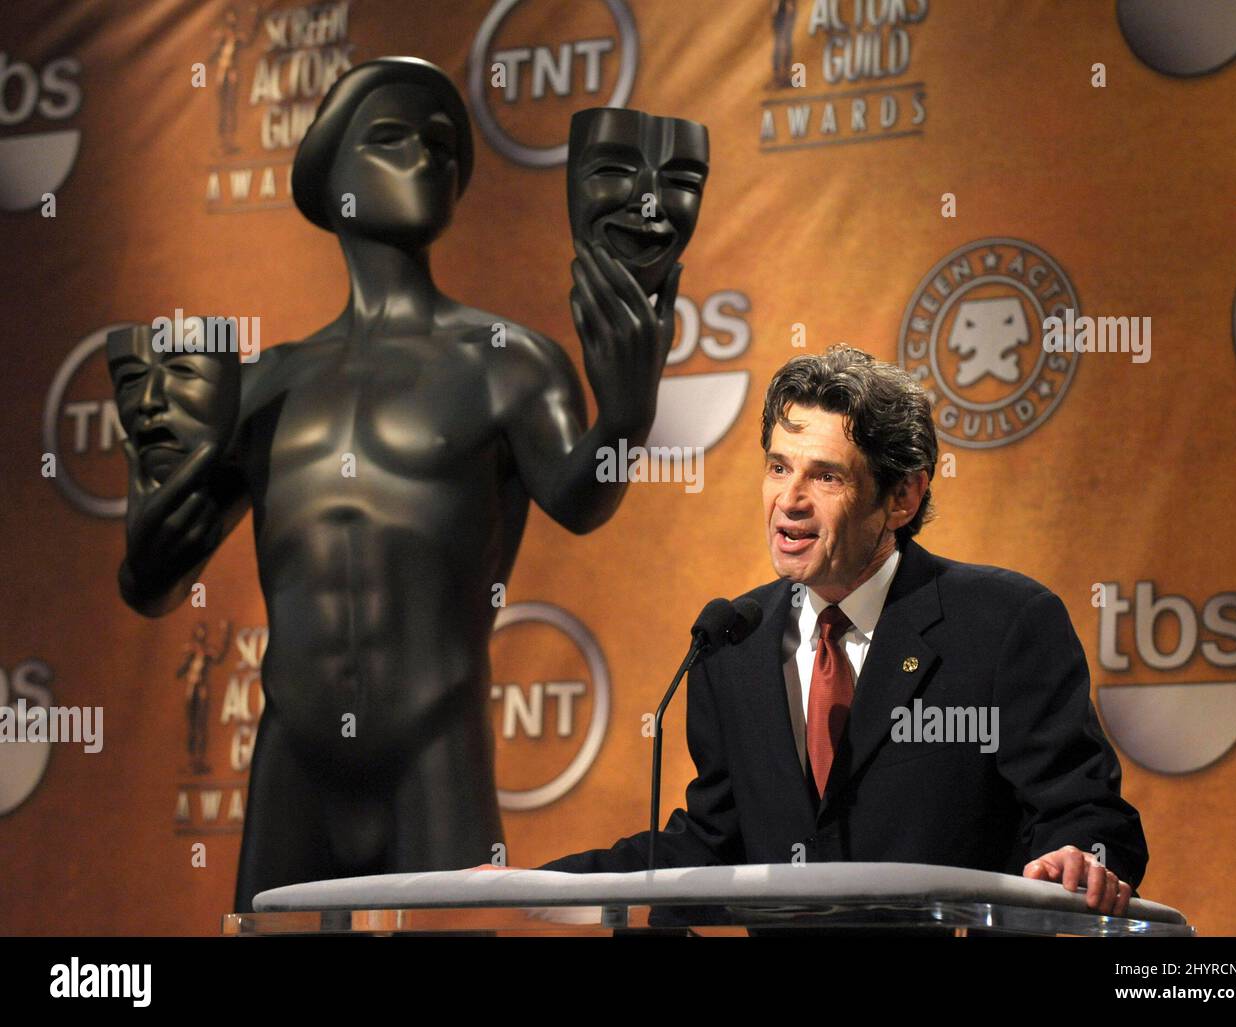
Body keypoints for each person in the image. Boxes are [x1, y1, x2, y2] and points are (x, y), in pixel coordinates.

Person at [110, 58, 682, 911]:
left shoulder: (508, 362)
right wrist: (146, 553)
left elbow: (580, 498)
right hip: (292, 751)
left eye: (443, 144)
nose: (424, 156)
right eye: (390, 137)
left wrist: (627, 417)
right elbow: (155, 583)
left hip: (435, 746)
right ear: (328, 178)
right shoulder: (265, 385)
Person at [534, 345, 1147, 916]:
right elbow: (713, 844)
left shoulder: (1003, 623)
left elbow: (1086, 812)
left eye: (826, 476)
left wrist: (1079, 855)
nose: (789, 500)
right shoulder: (733, 644)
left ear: (902, 497)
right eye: (778, 467)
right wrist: (544, 883)